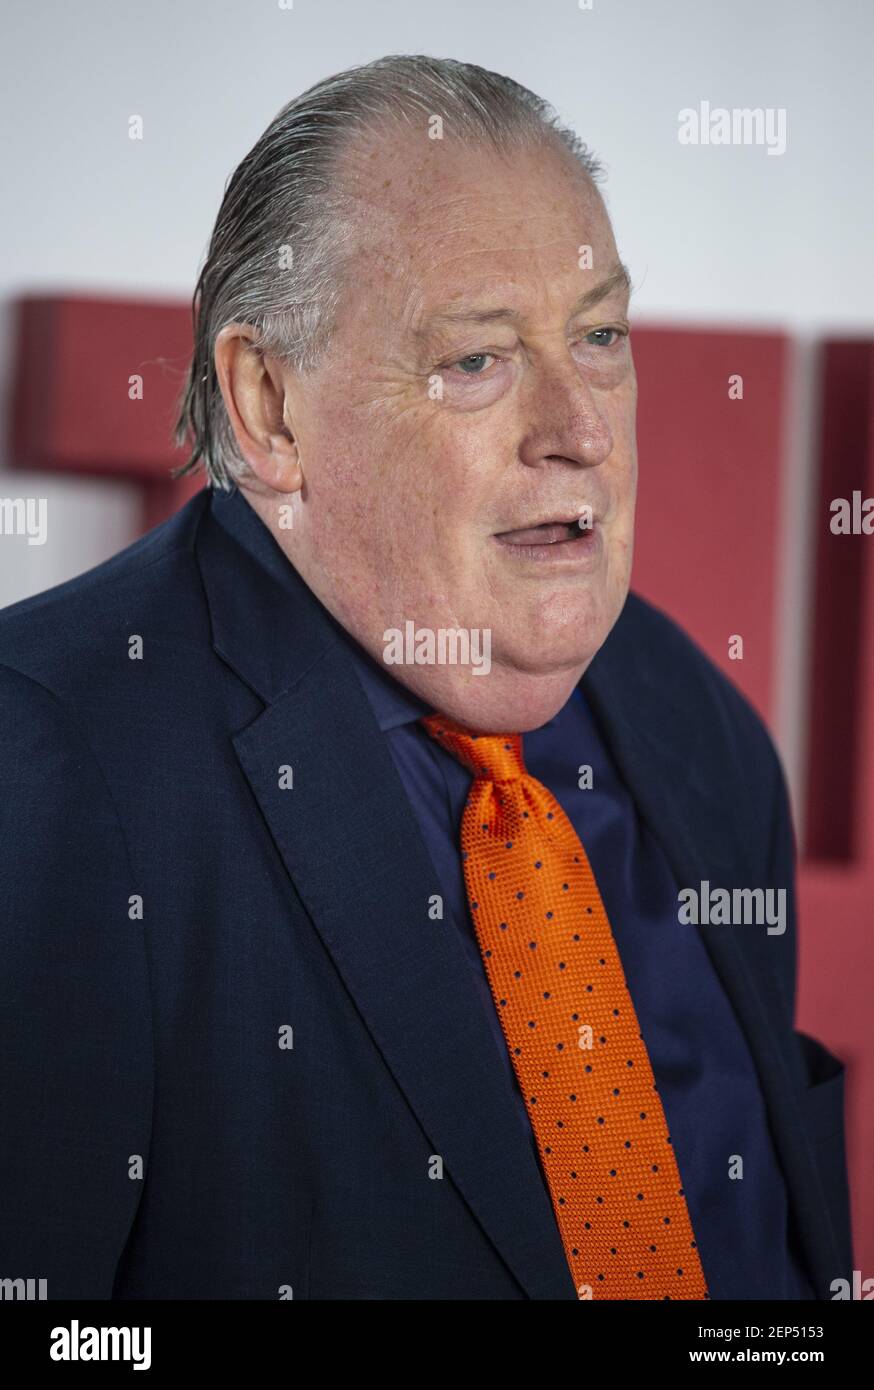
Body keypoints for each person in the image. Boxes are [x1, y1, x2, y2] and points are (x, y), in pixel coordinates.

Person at [0, 55, 852, 1300]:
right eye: (477, 361)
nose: (583, 429)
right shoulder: (53, 760)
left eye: (599, 335)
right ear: (271, 407)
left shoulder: (692, 716)